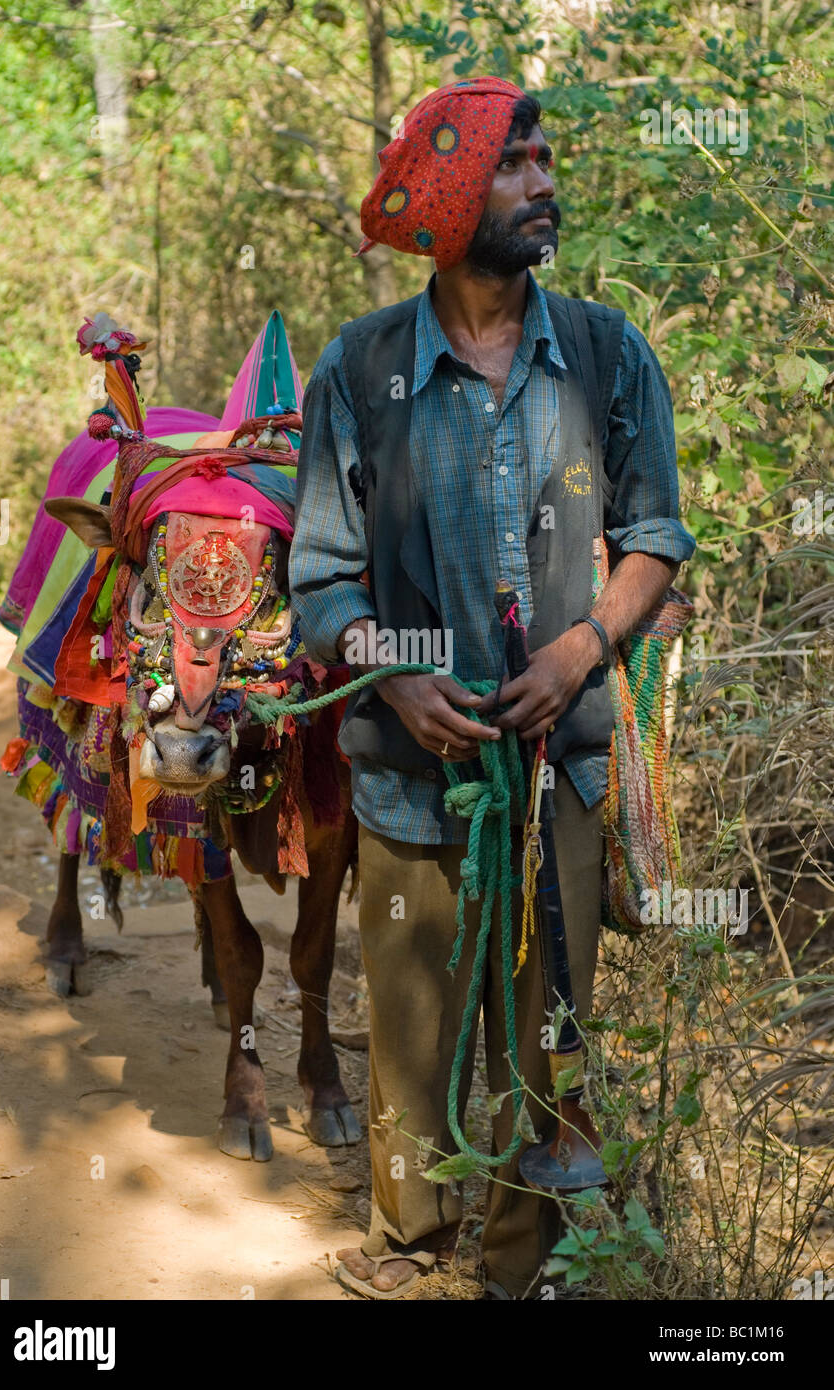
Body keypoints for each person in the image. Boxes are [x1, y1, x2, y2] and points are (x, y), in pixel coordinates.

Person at [289, 76, 695, 1299]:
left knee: (544, 1039)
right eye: (515, 166)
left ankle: (520, 1268)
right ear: (455, 197)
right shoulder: (362, 370)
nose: (544, 184)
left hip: (559, 767)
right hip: (414, 783)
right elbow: (319, 580)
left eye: (544, 161)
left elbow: (657, 537)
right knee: (412, 1036)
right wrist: (404, 680)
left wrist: (580, 649)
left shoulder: (610, 355)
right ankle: (410, 1248)